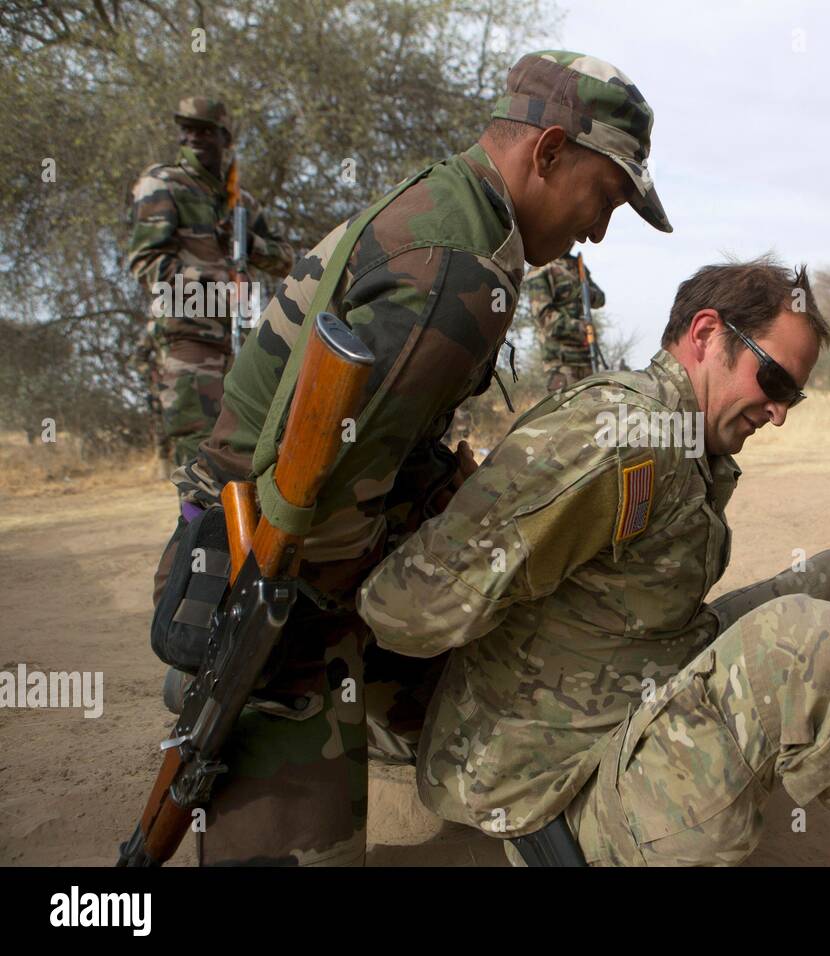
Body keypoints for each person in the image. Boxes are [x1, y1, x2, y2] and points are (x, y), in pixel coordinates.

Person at [357, 257, 830, 867]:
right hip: (564, 798)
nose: (780, 412)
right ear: (705, 335)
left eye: (795, 395)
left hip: (627, 695)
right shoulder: (622, 437)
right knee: (804, 646)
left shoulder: (679, 434)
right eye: (773, 380)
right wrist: (453, 531)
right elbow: (406, 611)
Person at [154, 51, 672, 866]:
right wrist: (449, 591)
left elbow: (391, 450)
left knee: (506, 706)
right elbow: (320, 523)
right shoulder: (455, 270)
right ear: (546, 154)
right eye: (603, 197)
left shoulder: (462, 213)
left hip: (301, 549)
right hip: (273, 593)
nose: (598, 230)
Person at [127, 97, 295, 470]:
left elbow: (287, 259)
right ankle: (196, 529)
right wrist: (217, 288)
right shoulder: (163, 184)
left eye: (204, 130)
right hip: (188, 340)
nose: (194, 138)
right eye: (187, 130)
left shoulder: (241, 204)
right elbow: (147, 264)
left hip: (241, 342)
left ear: (225, 138)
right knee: (198, 457)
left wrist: (249, 245)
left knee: (249, 449)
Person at [523, 245, 605, 390]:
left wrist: (590, 294)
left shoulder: (577, 266)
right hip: (562, 363)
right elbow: (545, 319)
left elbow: (601, 299)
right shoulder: (540, 269)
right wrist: (580, 327)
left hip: (587, 358)